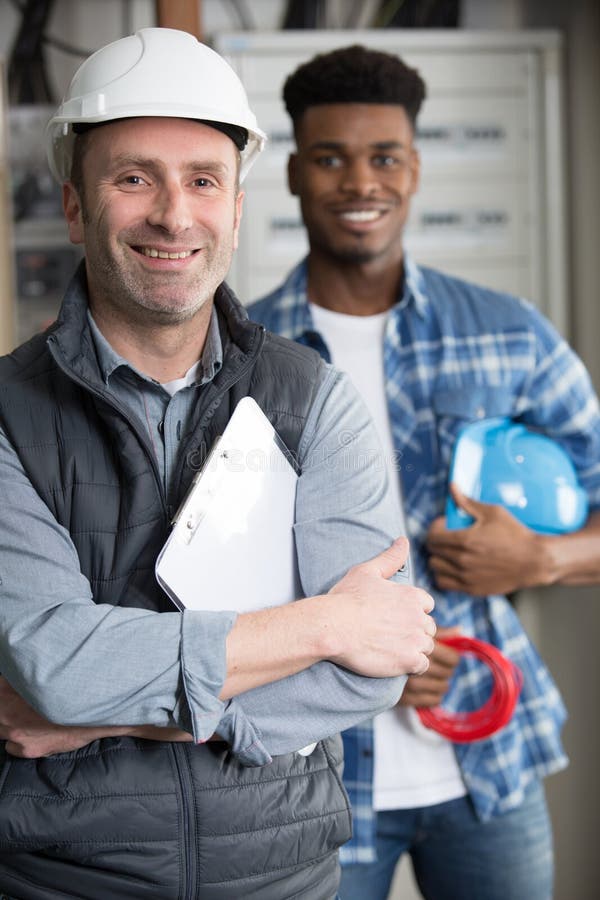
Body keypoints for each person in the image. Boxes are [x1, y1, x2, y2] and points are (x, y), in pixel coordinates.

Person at [0, 30, 438, 900]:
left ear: (236, 207)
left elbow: (375, 666)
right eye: (134, 178)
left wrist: (106, 719)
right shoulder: (8, 415)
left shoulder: (312, 398)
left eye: (203, 179)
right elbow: (57, 665)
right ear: (79, 208)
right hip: (65, 882)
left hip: (285, 876)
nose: (173, 213)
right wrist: (322, 624)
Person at [248, 44, 600, 900]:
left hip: (490, 769)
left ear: (413, 169)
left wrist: (542, 561)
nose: (359, 182)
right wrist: (352, 652)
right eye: (330, 159)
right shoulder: (245, 359)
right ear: (294, 174)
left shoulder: (507, 332)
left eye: (384, 157)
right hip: (315, 781)